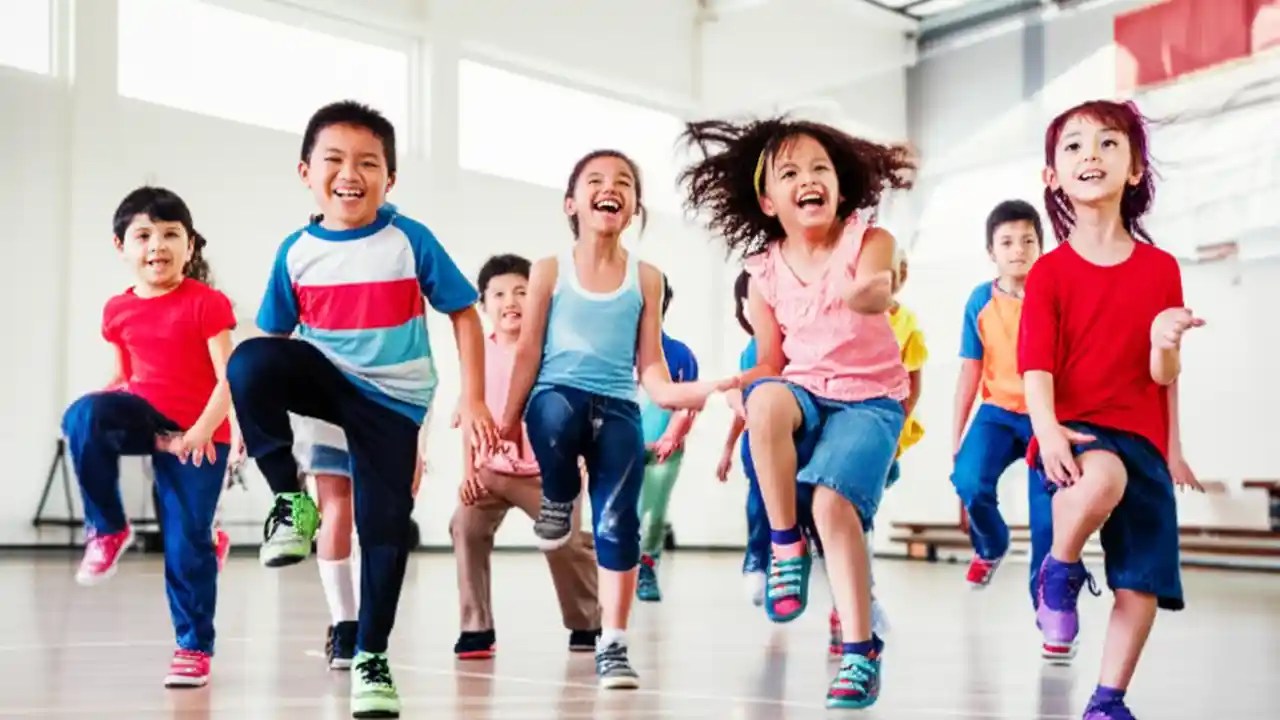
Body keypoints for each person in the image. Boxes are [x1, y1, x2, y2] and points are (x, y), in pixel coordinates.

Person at [226, 100, 497, 719]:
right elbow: (272, 344)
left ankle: (371, 655)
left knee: (383, 525)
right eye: (335, 160)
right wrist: (247, 418)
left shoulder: (409, 240)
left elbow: (462, 312)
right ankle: (288, 499)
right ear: (306, 172)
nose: (350, 174)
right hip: (327, 385)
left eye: (368, 163)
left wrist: (473, 394)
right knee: (248, 361)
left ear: (389, 179)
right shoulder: (296, 251)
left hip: (393, 402)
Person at [680, 116, 914, 709]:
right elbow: (771, 360)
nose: (808, 179)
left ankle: (860, 651)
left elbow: (879, 283)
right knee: (765, 398)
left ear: (838, 185)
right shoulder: (764, 274)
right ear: (768, 201)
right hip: (806, 389)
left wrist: (870, 291)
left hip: (870, 400)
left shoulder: (867, 239)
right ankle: (785, 545)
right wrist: (738, 384)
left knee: (833, 506)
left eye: (819, 169)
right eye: (790, 173)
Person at [499, 149, 732, 689]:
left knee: (617, 524)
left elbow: (651, 369)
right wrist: (509, 420)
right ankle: (559, 495)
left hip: (618, 408)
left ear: (633, 207)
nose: (611, 188)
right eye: (597, 180)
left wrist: (702, 391)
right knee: (556, 415)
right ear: (571, 203)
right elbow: (528, 350)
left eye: (624, 182)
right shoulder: (549, 270)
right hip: (556, 395)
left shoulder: (646, 278)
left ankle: (614, 645)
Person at [1021, 99, 1204, 720]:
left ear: (1135, 168)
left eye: (1107, 142)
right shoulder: (1049, 273)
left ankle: (1107, 700)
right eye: (1073, 146)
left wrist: (1164, 350)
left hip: (1143, 439)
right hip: (1076, 434)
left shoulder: (1161, 269)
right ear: (1053, 176)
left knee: (1141, 583)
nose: (1090, 155)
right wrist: (1046, 430)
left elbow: (1164, 376)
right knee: (1102, 479)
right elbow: (1035, 366)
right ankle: (1059, 570)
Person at [63, 186, 237, 688]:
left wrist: (201, 431)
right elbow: (122, 377)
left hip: (201, 432)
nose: (157, 245)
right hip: (147, 421)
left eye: (170, 234)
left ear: (190, 244)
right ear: (121, 246)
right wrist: (90, 420)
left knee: (184, 545)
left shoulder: (207, 303)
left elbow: (230, 379)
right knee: (81, 415)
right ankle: (108, 529)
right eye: (143, 235)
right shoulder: (117, 310)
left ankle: (193, 646)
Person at [449, 253, 601, 660]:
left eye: (521, 292)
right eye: (498, 294)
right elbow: (470, 414)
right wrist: (469, 473)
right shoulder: (478, 352)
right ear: (484, 304)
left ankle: (588, 621)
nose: (510, 302)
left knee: (563, 542)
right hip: (492, 471)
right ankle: (476, 627)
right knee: (465, 526)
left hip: (547, 475)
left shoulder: (554, 350)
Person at [951, 199, 1049, 595]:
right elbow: (970, 370)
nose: (1018, 250)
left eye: (1028, 240)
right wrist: (957, 438)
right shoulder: (980, 301)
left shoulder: (1055, 296)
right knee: (968, 481)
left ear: (1040, 246)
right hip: (997, 414)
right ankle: (991, 546)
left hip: (1046, 416)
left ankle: (1047, 602)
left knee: (1046, 519)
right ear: (991, 251)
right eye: (1007, 242)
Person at [635, 273, 700, 602]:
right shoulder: (613, 354)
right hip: (622, 450)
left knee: (654, 514)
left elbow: (688, 404)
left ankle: (647, 566)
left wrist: (671, 436)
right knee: (624, 513)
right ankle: (621, 571)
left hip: (665, 450)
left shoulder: (678, 354)